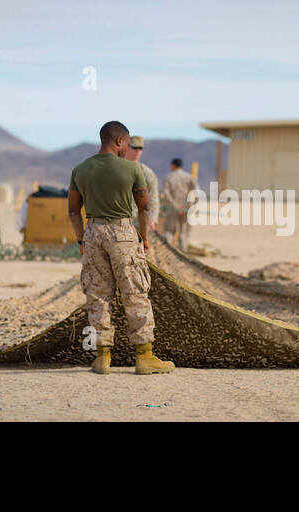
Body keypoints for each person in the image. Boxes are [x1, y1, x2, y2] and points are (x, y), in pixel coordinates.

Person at [68, 121, 173, 375]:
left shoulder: (80, 169)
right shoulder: (131, 169)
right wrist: (145, 238)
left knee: (97, 294)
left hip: (92, 233)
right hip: (123, 233)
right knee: (135, 291)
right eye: (127, 144)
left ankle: (102, 358)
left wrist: (82, 240)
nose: (127, 149)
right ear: (118, 141)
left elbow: (73, 210)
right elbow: (145, 207)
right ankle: (144, 357)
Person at [161, 158, 198, 251]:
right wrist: (193, 205)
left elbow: (166, 193)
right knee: (183, 232)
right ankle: (183, 254)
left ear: (173, 165)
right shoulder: (188, 177)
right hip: (186, 208)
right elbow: (197, 191)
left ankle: (167, 253)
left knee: (169, 231)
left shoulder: (169, 177)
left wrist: (175, 206)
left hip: (172, 209)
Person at [125, 136, 160, 234]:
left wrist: (153, 219)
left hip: (139, 222)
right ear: (127, 147)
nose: (138, 151)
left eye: (140, 148)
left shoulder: (147, 172)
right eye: (135, 148)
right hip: (119, 221)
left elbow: (153, 197)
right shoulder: (116, 169)